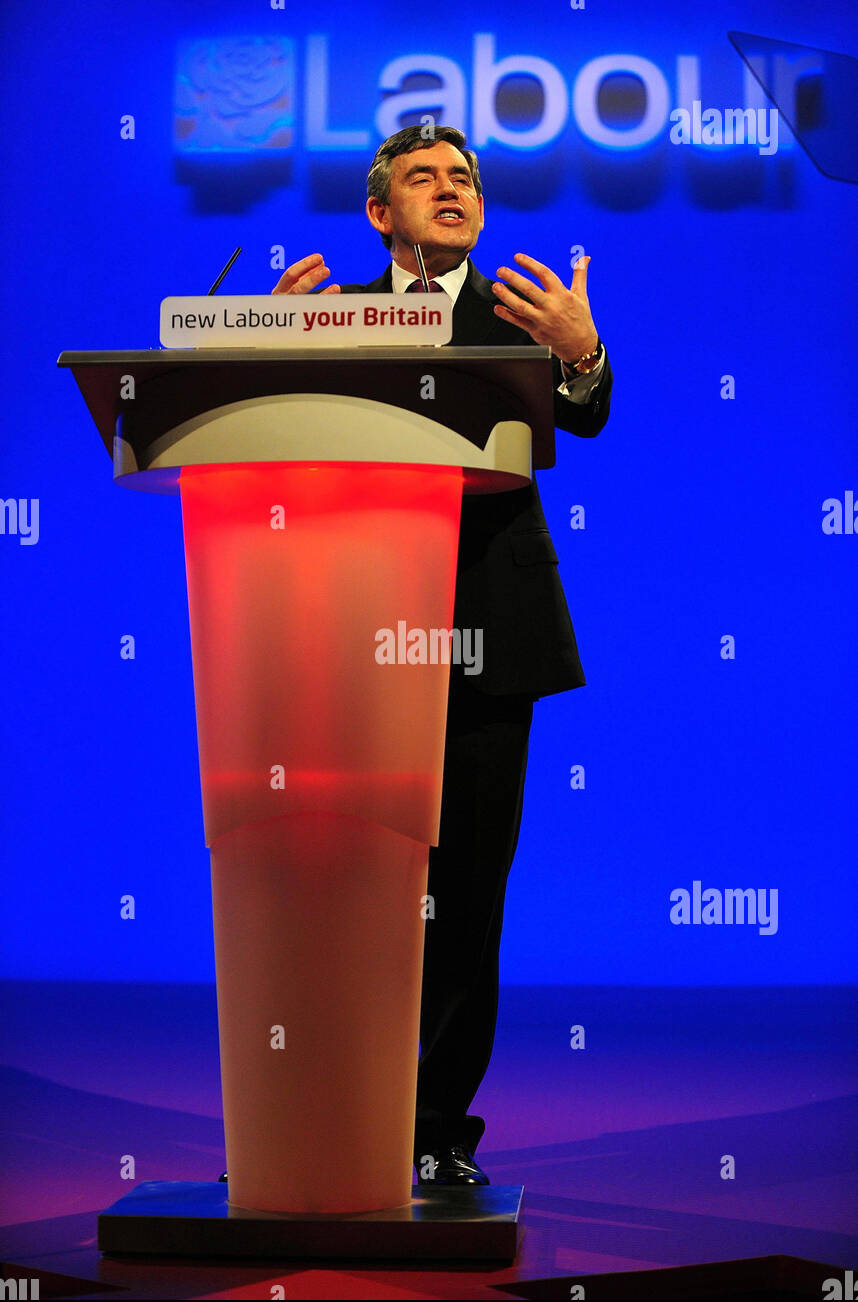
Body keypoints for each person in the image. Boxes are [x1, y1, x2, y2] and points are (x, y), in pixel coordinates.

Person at [272, 125, 612, 1186]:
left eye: (463, 177)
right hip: (352, 640)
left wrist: (583, 352)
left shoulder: (522, 314)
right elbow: (277, 440)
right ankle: (324, 1114)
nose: (450, 190)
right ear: (381, 214)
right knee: (342, 892)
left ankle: (432, 1131)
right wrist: (270, 352)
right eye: (424, 178)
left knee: (464, 898)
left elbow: (585, 413)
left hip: (484, 645)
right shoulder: (334, 319)